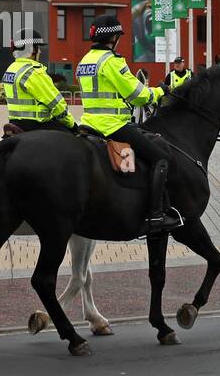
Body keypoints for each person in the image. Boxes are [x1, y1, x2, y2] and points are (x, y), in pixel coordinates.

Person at [76, 13, 179, 230]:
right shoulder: (111, 61)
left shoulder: (84, 61)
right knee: (160, 157)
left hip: (88, 124)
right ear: (113, 37)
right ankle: (156, 215)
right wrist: (160, 91)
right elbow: (137, 94)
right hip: (113, 125)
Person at [2, 28, 76, 133]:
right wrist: (72, 125)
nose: (40, 51)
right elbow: (56, 104)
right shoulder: (33, 72)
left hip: (14, 123)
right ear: (30, 49)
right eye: (38, 48)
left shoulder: (11, 69)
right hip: (37, 126)